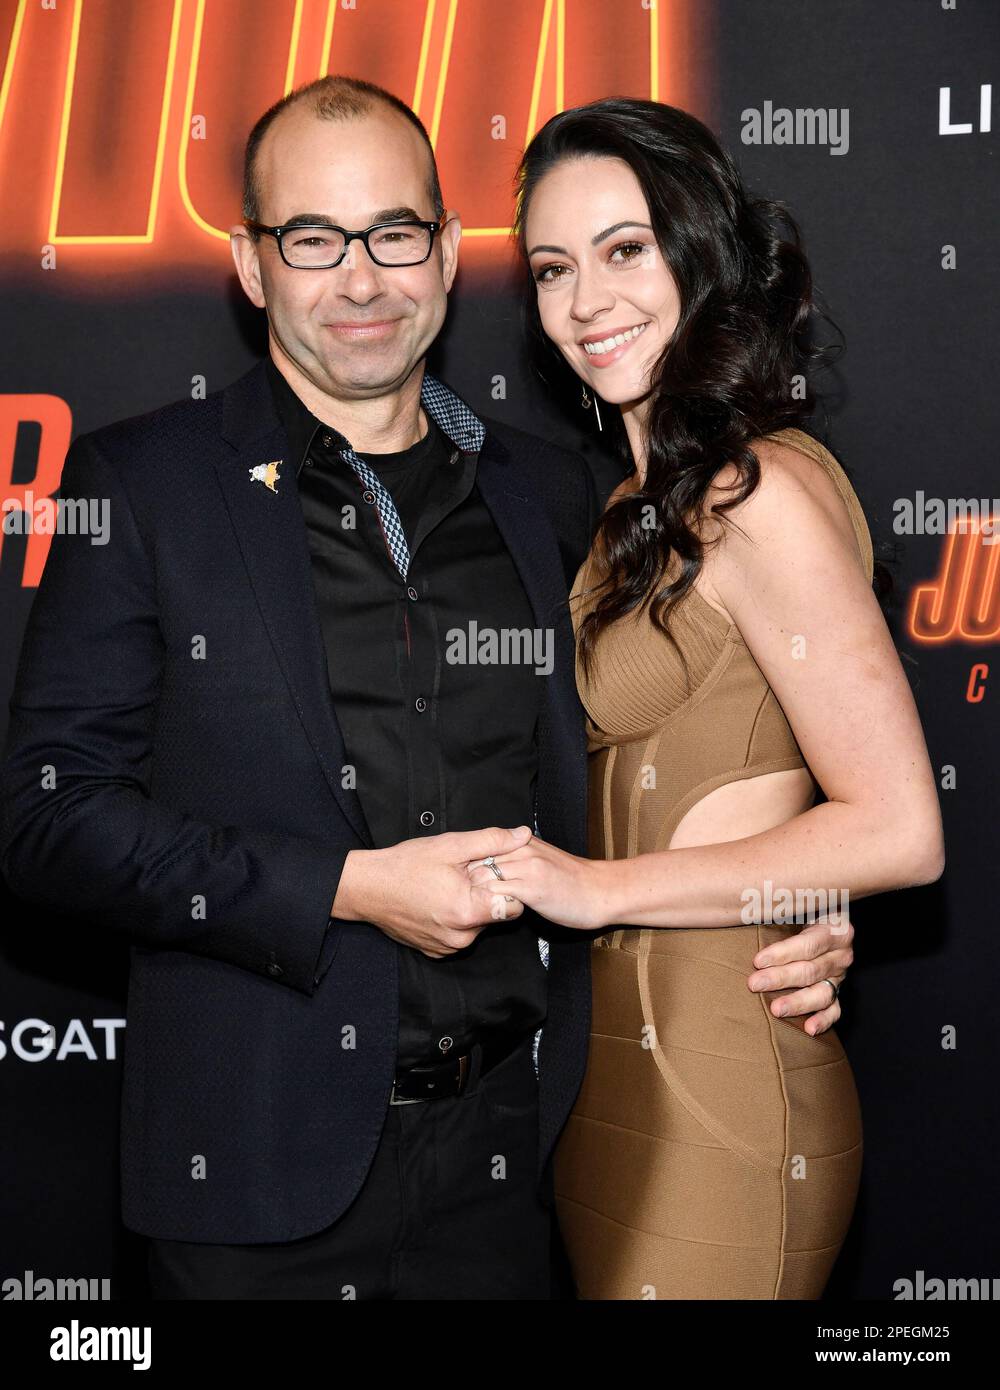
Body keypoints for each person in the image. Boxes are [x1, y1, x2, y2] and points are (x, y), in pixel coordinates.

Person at [0, 78, 857, 1301]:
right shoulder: (144, 487)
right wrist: (342, 890)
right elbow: (46, 819)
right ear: (252, 265)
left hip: (523, 1163)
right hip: (251, 1183)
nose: (360, 279)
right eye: (312, 239)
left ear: (450, 253)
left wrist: (789, 898)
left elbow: (689, 746)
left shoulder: (561, 499)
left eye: (394, 233)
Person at [470, 97, 945, 1300]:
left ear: (700, 253)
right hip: (610, 1083)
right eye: (552, 268)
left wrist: (589, 890)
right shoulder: (639, 507)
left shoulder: (755, 491)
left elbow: (897, 828)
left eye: (625, 250)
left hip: (722, 1084)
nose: (587, 303)